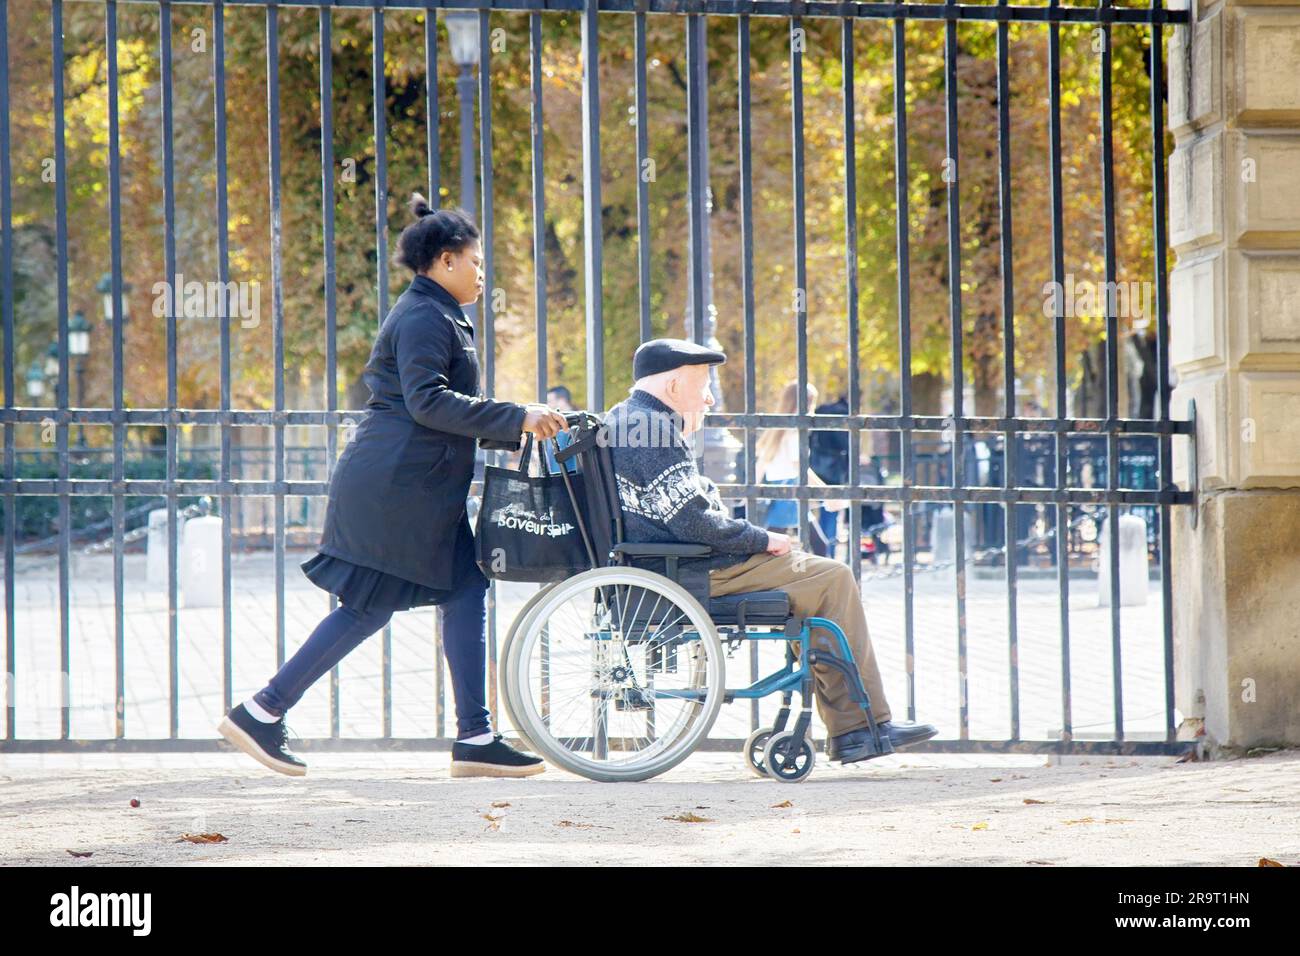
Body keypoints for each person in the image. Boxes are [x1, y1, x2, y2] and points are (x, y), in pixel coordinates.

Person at [217, 197, 568, 779]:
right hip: (397, 490)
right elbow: (428, 402)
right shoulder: (424, 317)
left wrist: (517, 426)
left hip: (416, 488)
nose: (483, 274)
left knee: (463, 592)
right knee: (367, 609)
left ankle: (475, 737)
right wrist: (516, 417)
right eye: (477, 263)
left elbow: (434, 409)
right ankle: (262, 710)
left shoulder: (438, 313)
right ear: (446, 261)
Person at [604, 339, 938, 764]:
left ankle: (855, 725)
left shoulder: (627, 419)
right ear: (673, 389)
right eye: (703, 385)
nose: (708, 398)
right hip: (689, 567)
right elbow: (694, 520)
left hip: (668, 561)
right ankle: (860, 728)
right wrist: (763, 539)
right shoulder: (654, 430)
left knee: (815, 583)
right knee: (833, 578)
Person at [754, 380, 847, 558]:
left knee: (778, 541)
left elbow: (762, 463)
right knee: (815, 545)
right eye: (811, 403)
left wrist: (751, 489)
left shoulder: (777, 428)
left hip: (782, 489)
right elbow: (800, 469)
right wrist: (826, 492)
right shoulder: (794, 432)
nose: (811, 408)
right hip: (791, 489)